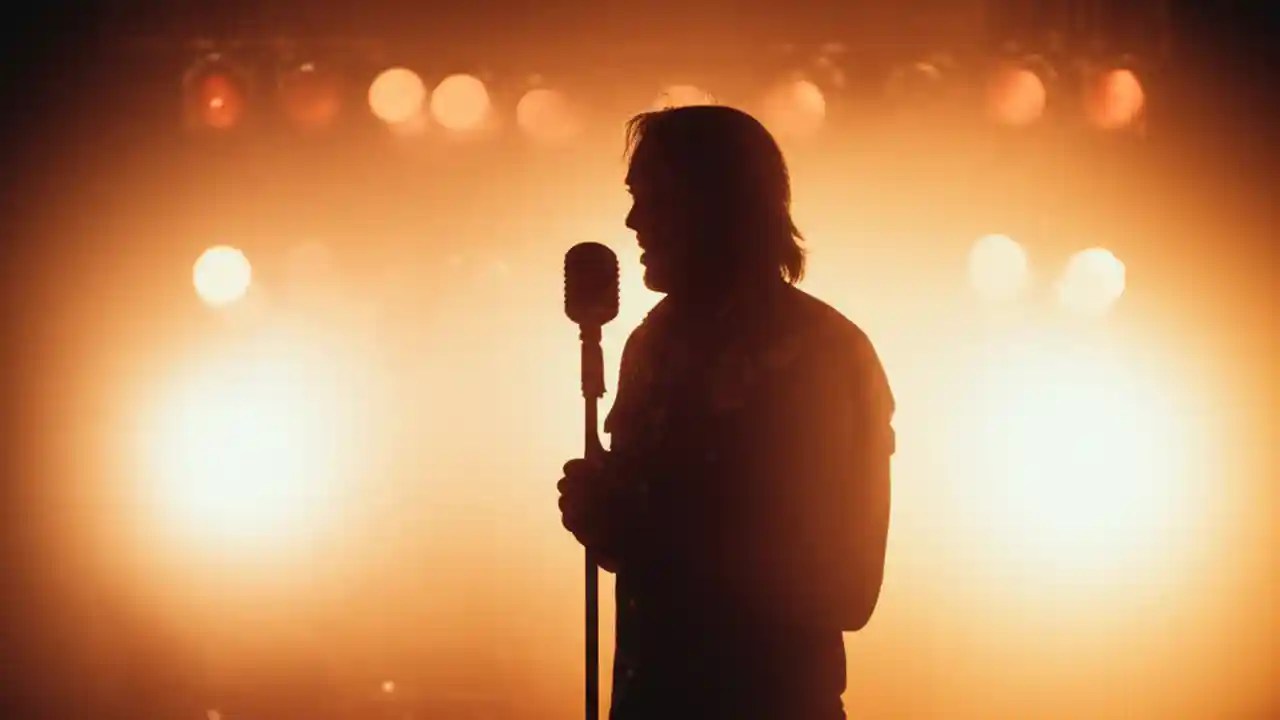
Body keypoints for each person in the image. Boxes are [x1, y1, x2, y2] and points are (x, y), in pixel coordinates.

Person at [557, 105, 895, 719]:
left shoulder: (822, 356)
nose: (634, 221)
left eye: (655, 199)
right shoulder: (651, 344)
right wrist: (606, 519)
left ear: (716, 206)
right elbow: (646, 558)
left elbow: (846, 588)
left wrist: (640, 530)